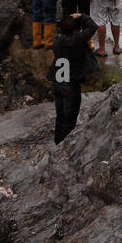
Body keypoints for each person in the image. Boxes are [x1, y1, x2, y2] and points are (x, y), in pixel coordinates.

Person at [48, 12, 98, 144]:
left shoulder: (56, 40)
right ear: (75, 30)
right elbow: (92, 27)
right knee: (69, 120)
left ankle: (57, 141)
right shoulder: (77, 40)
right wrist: (82, 16)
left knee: (60, 116)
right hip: (71, 86)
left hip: (58, 82)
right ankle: (64, 145)